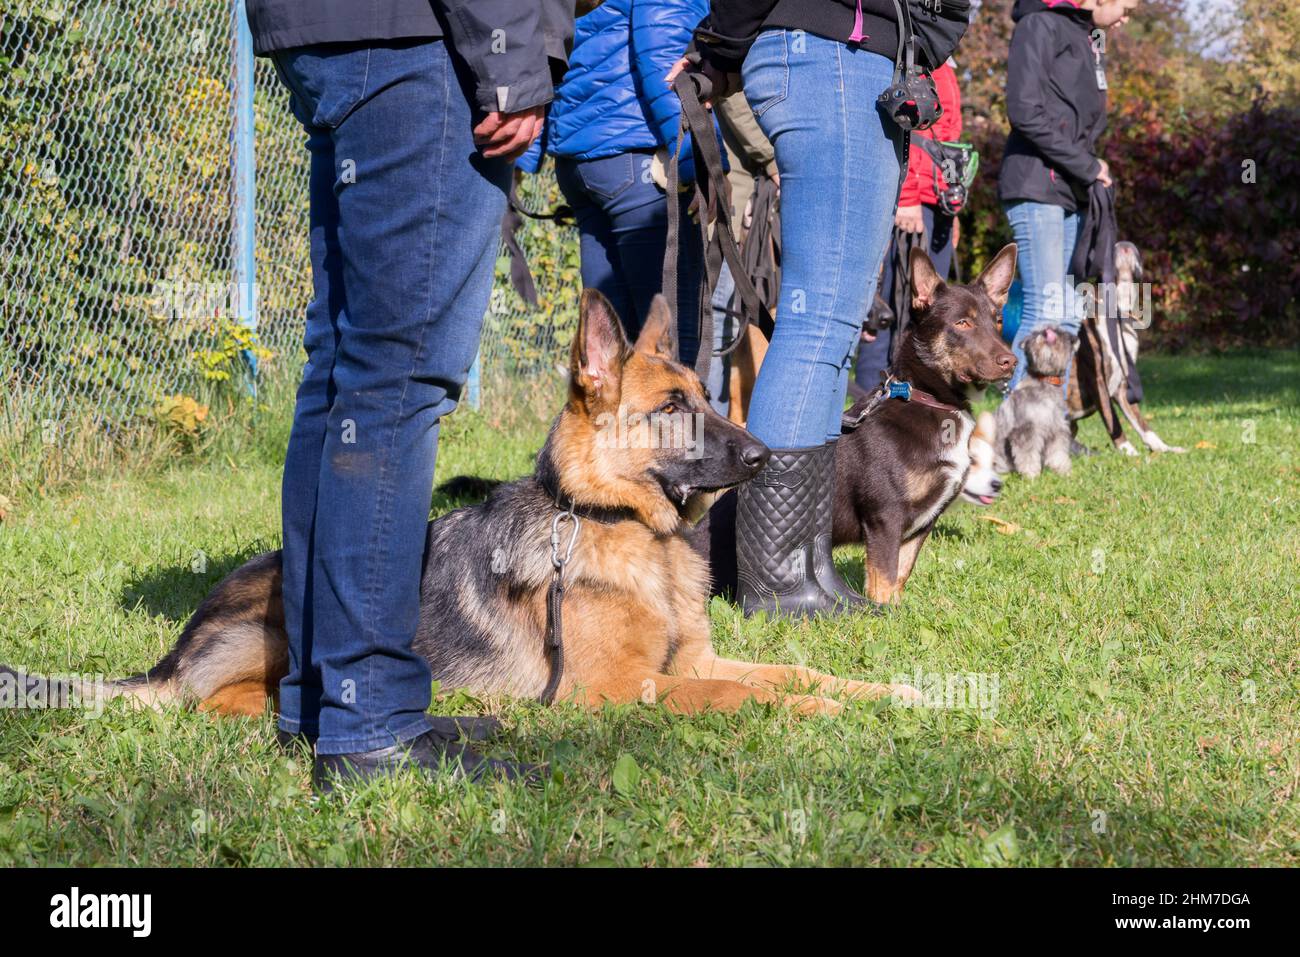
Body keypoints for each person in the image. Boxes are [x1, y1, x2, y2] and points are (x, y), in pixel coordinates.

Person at [246, 0, 566, 789]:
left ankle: (325, 698)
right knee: (395, 376)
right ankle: (371, 722)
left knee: (346, 366)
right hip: (414, 41)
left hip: (343, 33)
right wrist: (516, 62)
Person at [683, 0, 969, 617]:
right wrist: (721, 48)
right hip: (836, 60)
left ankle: (804, 566)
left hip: (850, 59)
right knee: (819, 328)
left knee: (830, 330)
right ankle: (781, 580)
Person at [526, 0, 716, 365]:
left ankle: (611, 425)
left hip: (579, 163)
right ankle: (679, 428)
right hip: (638, 158)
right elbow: (665, 54)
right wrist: (701, 162)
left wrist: (526, 154)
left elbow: (543, 42)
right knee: (671, 358)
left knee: (611, 359)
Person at [999, 0, 1137, 391]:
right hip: (1036, 185)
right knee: (1045, 312)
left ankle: (1053, 427)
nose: (1126, 18)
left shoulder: (1089, 38)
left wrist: (1087, 168)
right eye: (1125, 8)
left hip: (1070, 190)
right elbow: (1024, 110)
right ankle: (1015, 433)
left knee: (1070, 314)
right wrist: (1088, 165)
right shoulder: (1038, 26)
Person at [855, 58, 964, 394]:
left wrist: (951, 207)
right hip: (911, 201)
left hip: (936, 203)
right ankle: (872, 392)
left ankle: (913, 387)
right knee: (894, 297)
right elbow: (904, 126)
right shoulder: (912, 55)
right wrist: (908, 194)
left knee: (929, 305)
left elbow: (945, 140)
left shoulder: (944, 62)